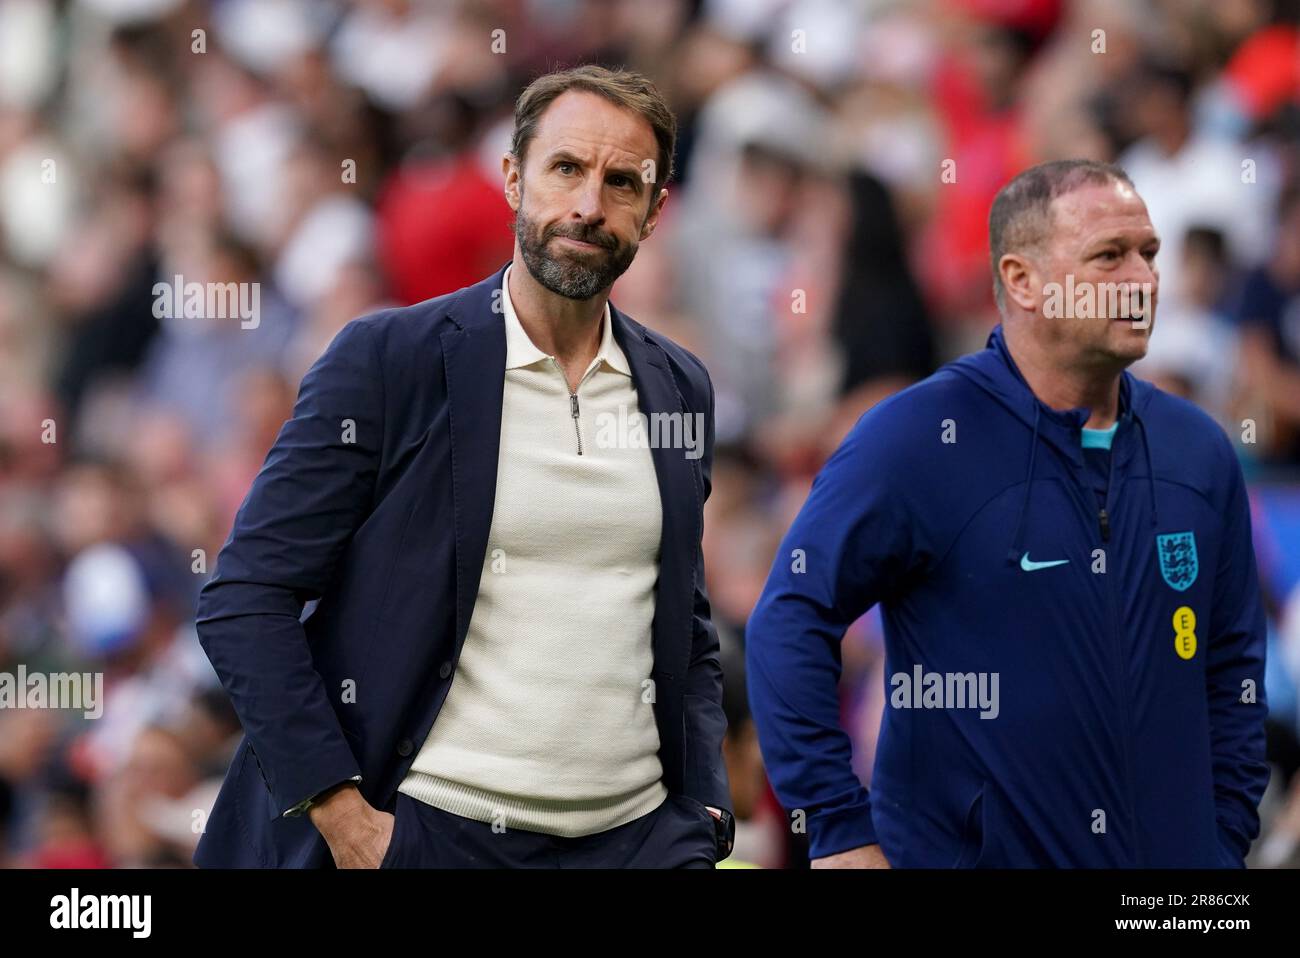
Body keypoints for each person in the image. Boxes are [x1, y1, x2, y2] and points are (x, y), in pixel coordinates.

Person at [193, 66, 732, 869]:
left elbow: (684, 629)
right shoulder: (389, 361)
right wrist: (346, 819)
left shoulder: (678, 384)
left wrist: (705, 812)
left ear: (654, 213)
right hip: (431, 835)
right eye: (565, 169)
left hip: (637, 842)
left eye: (623, 183)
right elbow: (245, 598)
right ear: (512, 179)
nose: (589, 205)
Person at [746, 159, 1269, 868]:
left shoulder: (1197, 450)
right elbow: (790, 618)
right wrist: (839, 829)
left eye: (1148, 254)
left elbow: (1231, 665)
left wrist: (1223, 840)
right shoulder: (918, 437)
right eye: (1108, 258)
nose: (1143, 281)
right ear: (1022, 281)